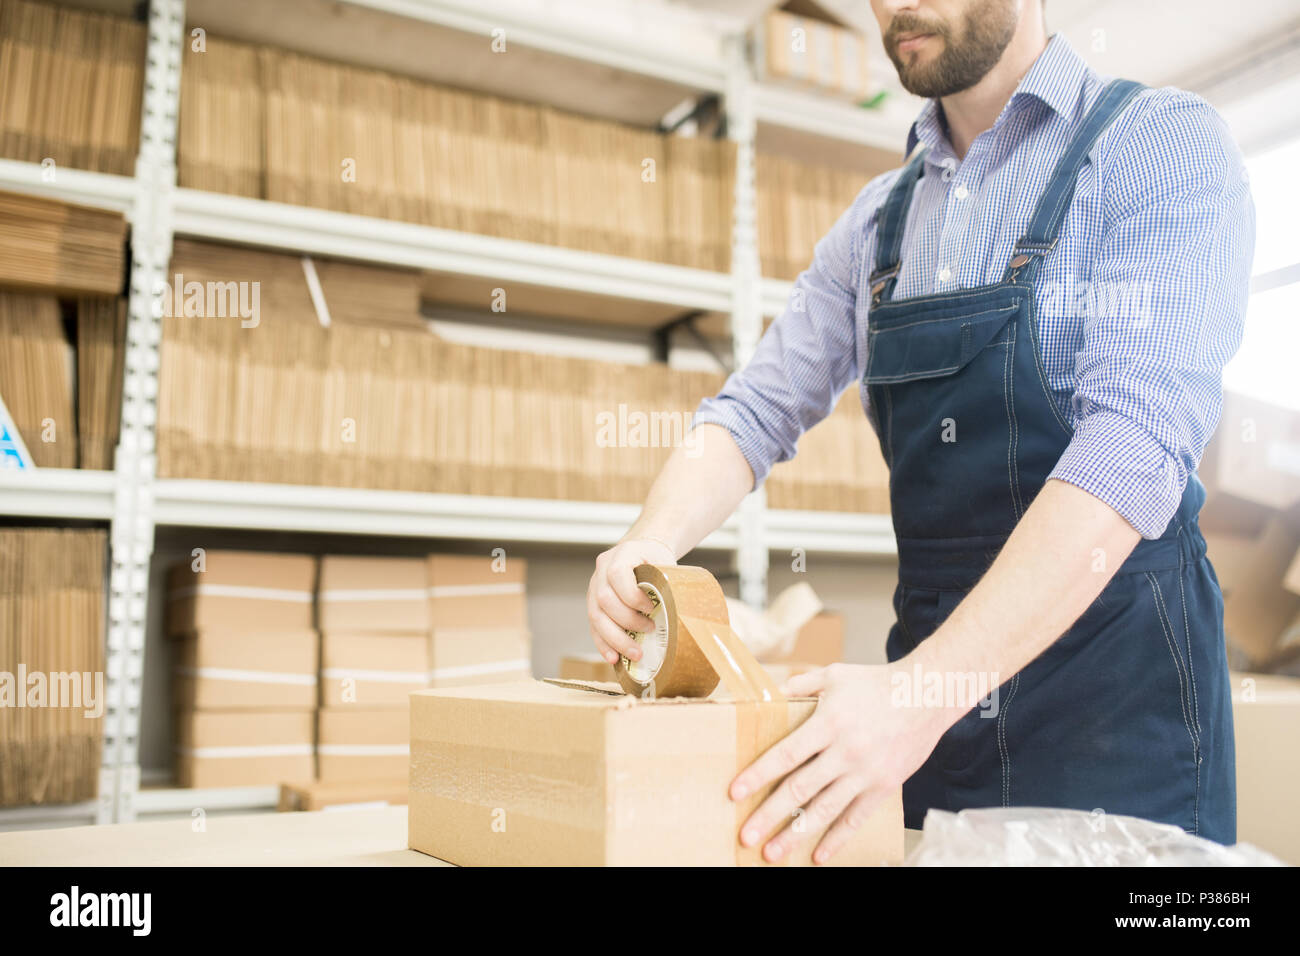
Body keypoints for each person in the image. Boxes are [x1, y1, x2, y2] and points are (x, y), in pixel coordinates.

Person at [586, 0, 1254, 863]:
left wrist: (919, 694)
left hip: (1120, 726)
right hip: (935, 740)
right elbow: (751, 411)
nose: (895, 4)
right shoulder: (875, 225)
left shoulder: (1158, 149)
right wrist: (650, 541)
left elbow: (1132, 447)